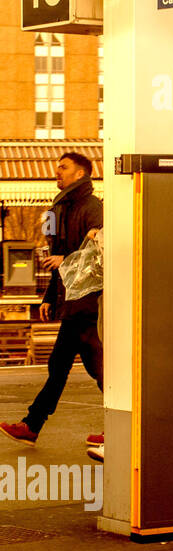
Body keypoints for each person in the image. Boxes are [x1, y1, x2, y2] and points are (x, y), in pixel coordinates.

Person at [2, 152, 104, 448]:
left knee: (89, 369)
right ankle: (32, 425)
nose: (56, 171)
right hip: (72, 303)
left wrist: (66, 260)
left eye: (63, 167)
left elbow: (97, 251)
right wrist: (49, 295)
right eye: (57, 167)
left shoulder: (92, 207)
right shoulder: (60, 208)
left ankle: (33, 425)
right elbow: (55, 257)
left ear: (81, 174)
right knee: (71, 368)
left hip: (87, 303)